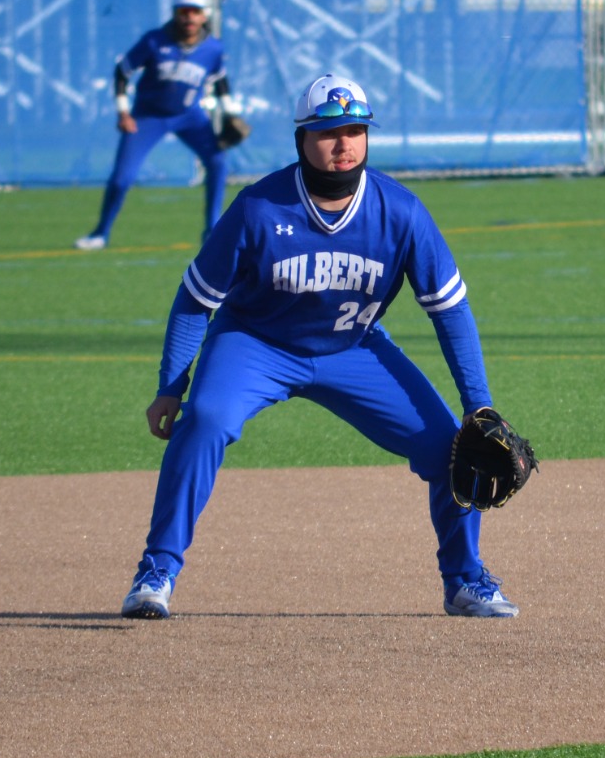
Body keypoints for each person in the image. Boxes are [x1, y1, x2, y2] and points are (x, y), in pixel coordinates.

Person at [119, 73, 519, 621]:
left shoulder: (400, 212)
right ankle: (157, 570)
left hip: (352, 347)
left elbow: (449, 310)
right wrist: (171, 385)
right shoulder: (260, 207)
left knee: (453, 446)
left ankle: (465, 580)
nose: (343, 143)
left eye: (355, 130)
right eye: (329, 131)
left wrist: (479, 402)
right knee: (206, 418)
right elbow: (195, 299)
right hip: (255, 343)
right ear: (302, 139)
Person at [75, 0, 236, 250]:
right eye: (184, 11)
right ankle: (100, 233)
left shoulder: (213, 48)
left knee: (218, 163)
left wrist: (230, 114)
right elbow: (122, 72)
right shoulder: (154, 40)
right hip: (148, 117)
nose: (189, 18)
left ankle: (212, 231)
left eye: (195, 11)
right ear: (175, 13)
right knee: (122, 177)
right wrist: (123, 110)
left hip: (190, 116)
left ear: (204, 15)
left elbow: (221, 80)